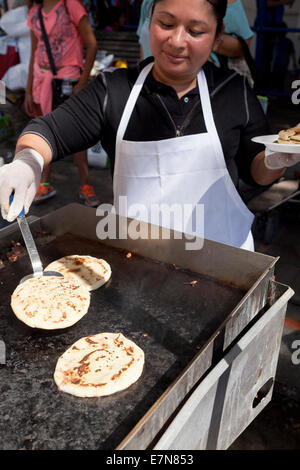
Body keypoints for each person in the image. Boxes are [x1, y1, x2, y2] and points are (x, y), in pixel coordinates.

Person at [1, 0, 300, 252]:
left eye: (195, 31)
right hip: (139, 269)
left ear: (218, 36)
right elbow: (49, 131)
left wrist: (277, 158)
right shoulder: (114, 90)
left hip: (226, 264)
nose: (177, 41)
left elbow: (257, 174)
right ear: (148, 21)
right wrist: (28, 162)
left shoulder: (234, 92)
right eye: (166, 24)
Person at [24, 0, 100, 207]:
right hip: (42, 82)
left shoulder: (71, 6)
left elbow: (92, 44)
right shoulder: (34, 12)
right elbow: (34, 52)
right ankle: (45, 183)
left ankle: (86, 186)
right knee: (43, 134)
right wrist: (29, 89)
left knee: (77, 136)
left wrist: (82, 83)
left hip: (69, 81)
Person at [270, 22, 297, 92]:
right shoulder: (275, 40)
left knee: (280, 81)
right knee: (274, 80)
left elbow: (292, 53)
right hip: (275, 65)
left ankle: (279, 94)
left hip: (282, 66)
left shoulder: (288, 41)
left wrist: (294, 63)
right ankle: (274, 93)